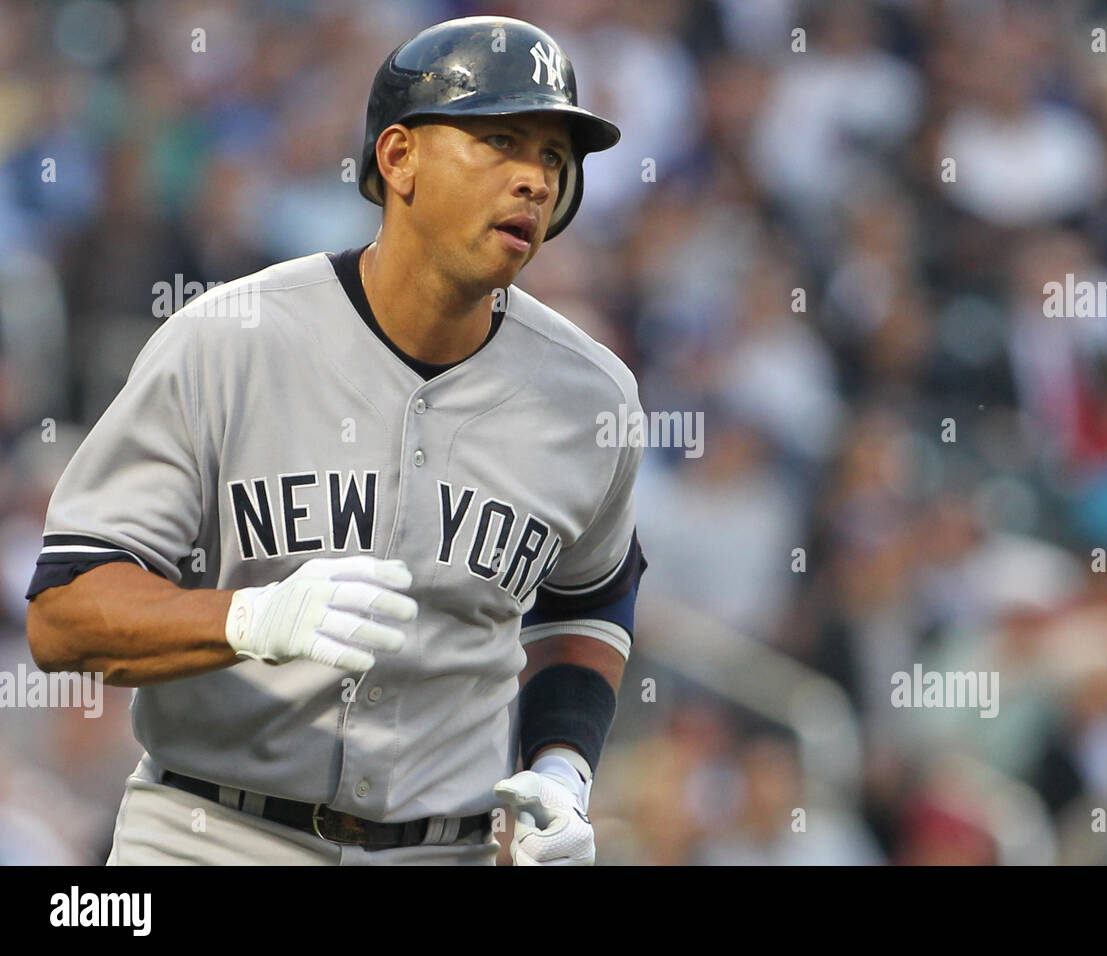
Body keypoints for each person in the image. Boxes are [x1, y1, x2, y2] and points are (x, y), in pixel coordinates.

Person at [24, 15, 645, 867]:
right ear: (398, 159)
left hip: (443, 853)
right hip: (213, 836)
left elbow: (591, 597)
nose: (535, 179)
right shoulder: (230, 340)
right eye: (501, 140)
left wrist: (564, 766)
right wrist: (249, 616)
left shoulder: (593, 397)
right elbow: (65, 615)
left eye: (552, 157)